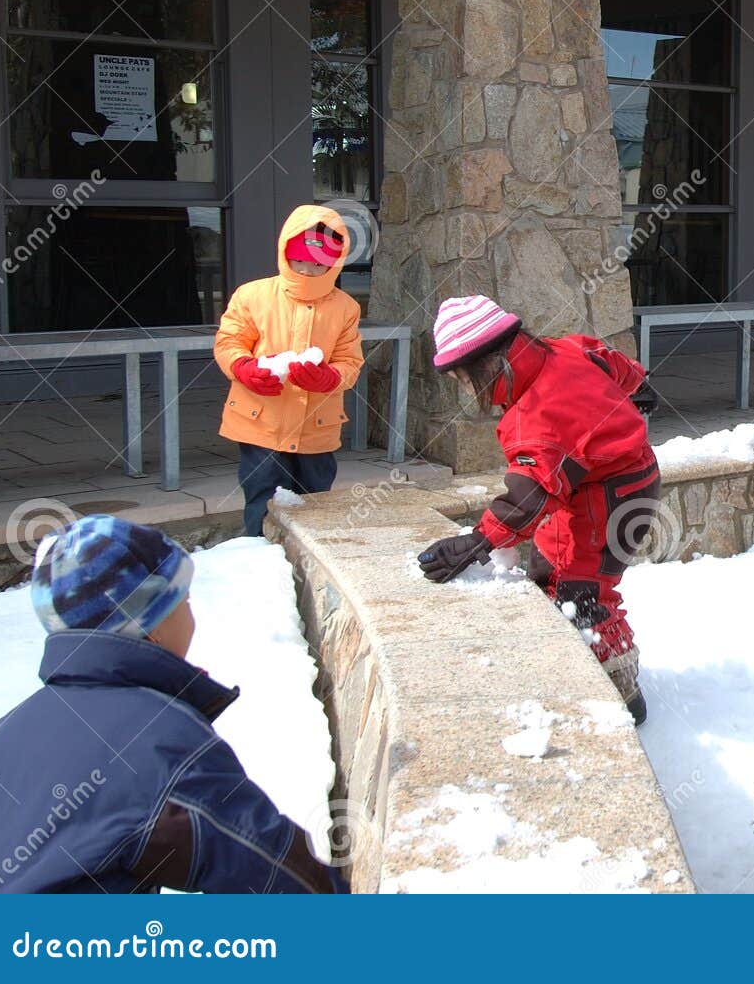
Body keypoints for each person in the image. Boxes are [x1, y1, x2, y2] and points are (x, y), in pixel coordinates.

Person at [0, 516, 345, 894]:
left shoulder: (8, 728)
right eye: (184, 598)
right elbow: (284, 881)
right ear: (151, 623)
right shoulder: (160, 744)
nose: (191, 612)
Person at [415, 296, 660, 724]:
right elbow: (611, 361)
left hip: (613, 496)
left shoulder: (534, 417)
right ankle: (574, 668)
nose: (465, 389)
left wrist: (476, 542)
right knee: (549, 572)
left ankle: (622, 693)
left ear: (488, 364)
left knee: (582, 594)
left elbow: (528, 499)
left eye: (463, 378)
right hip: (591, 486)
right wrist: (638, 387)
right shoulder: (565, 348)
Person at [214, 204, 364, 537]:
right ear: (285, 254)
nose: (308, 273)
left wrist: (331, 377)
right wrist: (244, 368)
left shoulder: (345, 308)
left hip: (317, 430)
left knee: (316, 502)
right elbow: (229, 342)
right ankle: (260, 558)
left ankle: (310, 562)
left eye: (318, 266)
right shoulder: (253, 296)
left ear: (334, 264)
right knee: (263, 500)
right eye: (300, 262)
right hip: (261, 424)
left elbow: (350, 361)